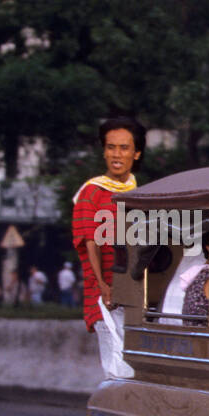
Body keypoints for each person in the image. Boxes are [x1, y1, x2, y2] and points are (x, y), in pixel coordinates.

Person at [71, 114, 146, 378]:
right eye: (111, 147)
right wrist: (103, 285)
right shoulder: (91, 192)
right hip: (106, 295)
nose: (117, 154)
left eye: (124, 148)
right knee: (116, 368)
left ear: (136, 154)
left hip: (133, 292)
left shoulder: (139, 193)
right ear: (104, 151)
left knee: (135, 366)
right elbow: (88, 240)